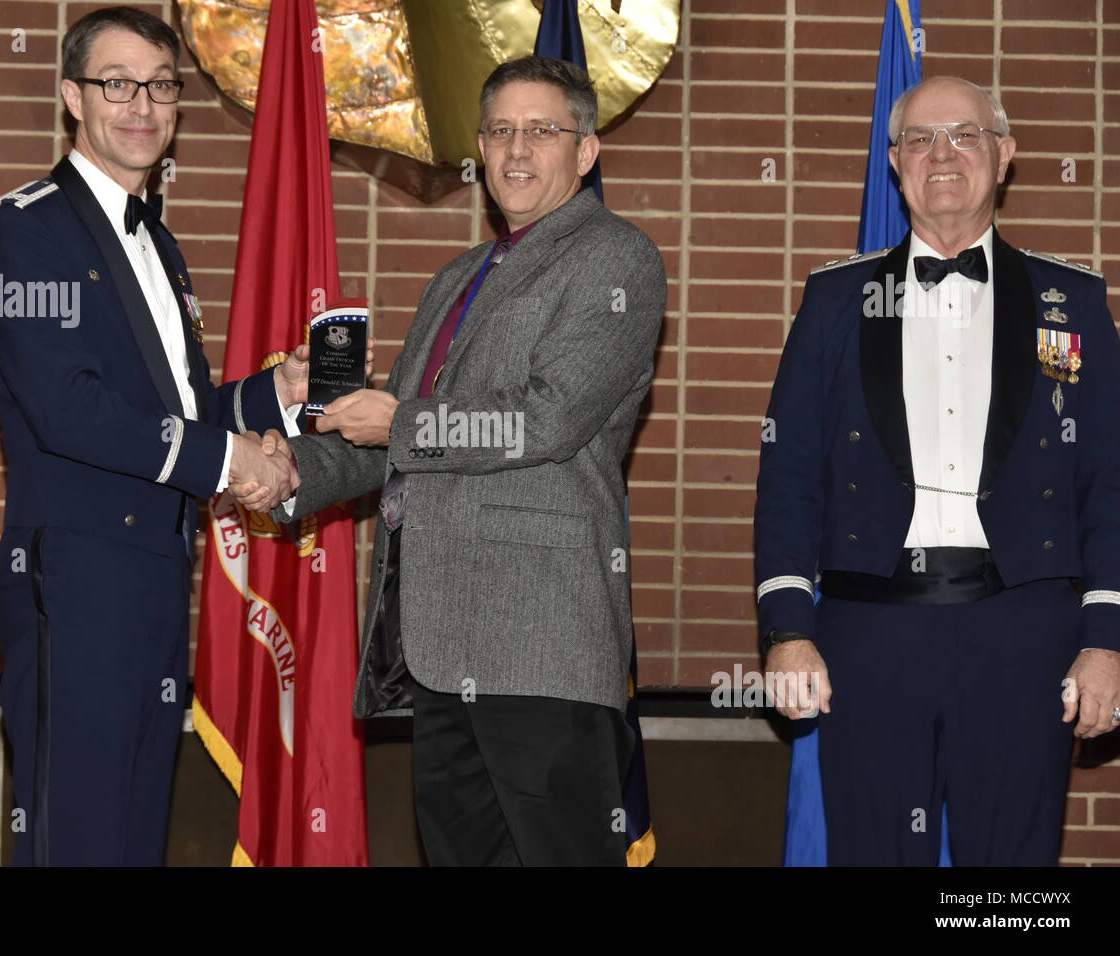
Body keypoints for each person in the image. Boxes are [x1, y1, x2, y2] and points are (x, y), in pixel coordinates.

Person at [247, 55, 665, 866]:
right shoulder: (458, 278)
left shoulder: (616, 259)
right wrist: (287, 470)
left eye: (542, 130)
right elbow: (386, 447)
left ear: (585, 153)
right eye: (501, 130)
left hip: (541, 649)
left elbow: (544, 419)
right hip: (439, 651)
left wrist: (399, 422)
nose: (516, 149)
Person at [755, 75, 1120, 865]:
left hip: (1023, 631)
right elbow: (789, 476)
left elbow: (1107, 484)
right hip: (868, 631)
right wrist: (787, 631)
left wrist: (1106, 639)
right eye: (919, 139)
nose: (941, 154)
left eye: (964, 134)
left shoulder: (1075, 302)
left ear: (1005, 155)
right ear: (895, 164)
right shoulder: (836, 299)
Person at [0, 6, 302, 866]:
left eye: (161, 85)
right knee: (76, 834)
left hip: (156, 572)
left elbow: (180, 410)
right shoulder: (27, 228)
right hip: (76, 574)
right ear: (71, 98)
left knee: (130, 837)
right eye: (117, 83)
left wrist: (279, 394)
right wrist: (231, 459)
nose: (142, 105)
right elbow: (70, 409)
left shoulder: (158, 241)